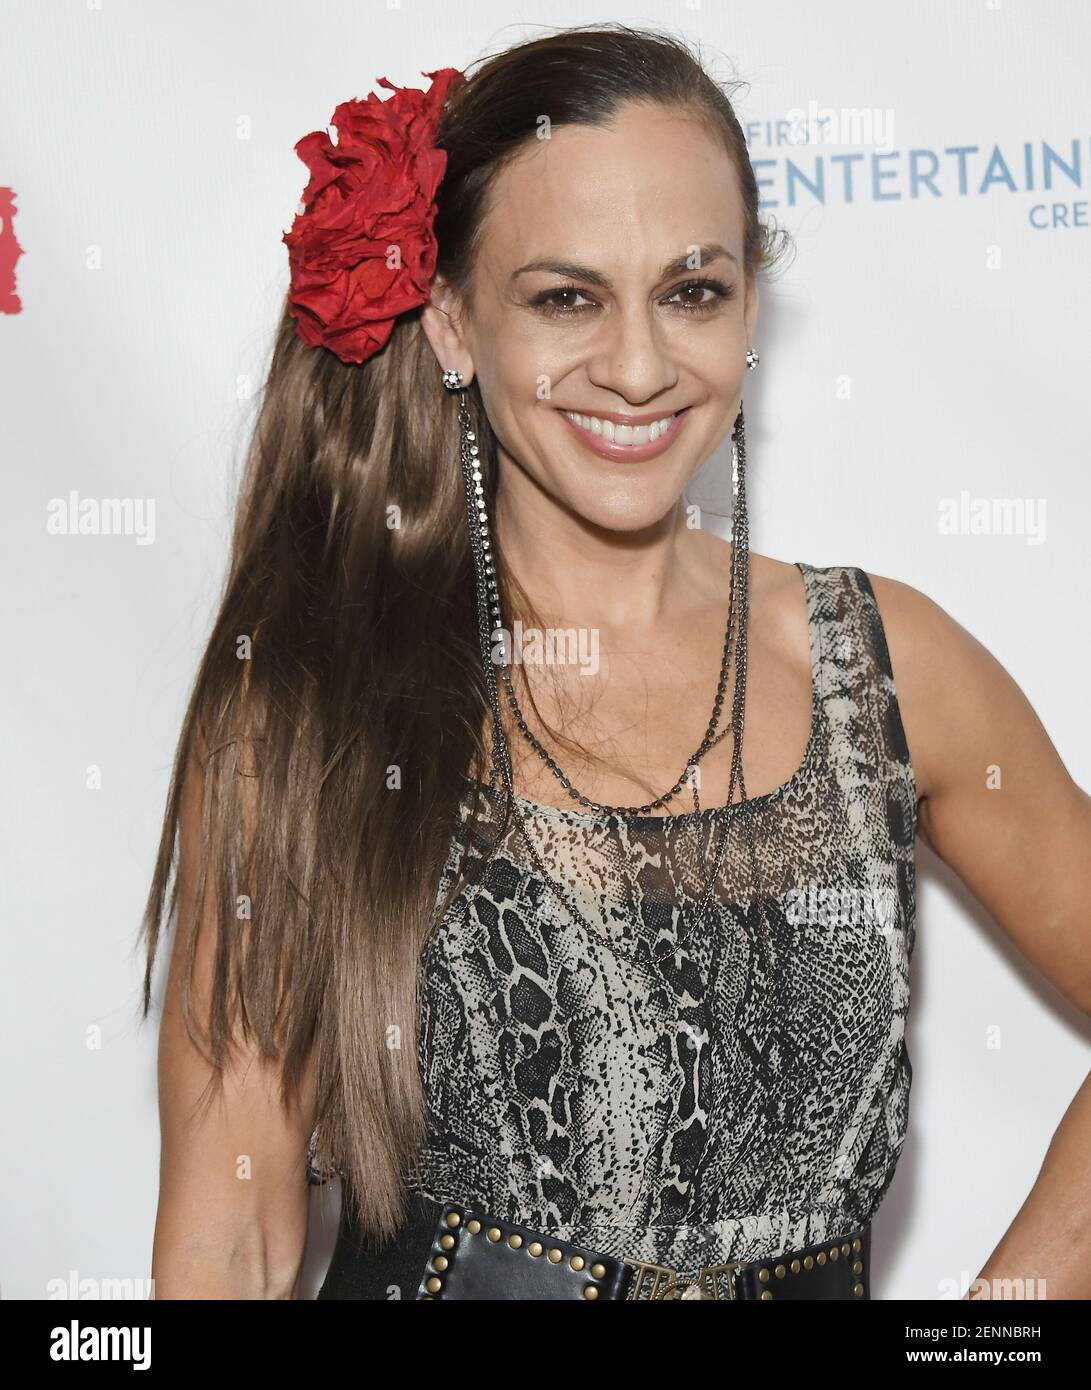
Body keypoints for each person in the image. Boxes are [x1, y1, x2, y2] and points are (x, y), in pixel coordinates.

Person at [141, 25, 1091, 1300]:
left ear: (751, 302)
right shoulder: (311, 709)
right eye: (563, 297)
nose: (638, 367)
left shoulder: (886, 664)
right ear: (451, 324)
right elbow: (230, 1238)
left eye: (691, 290)